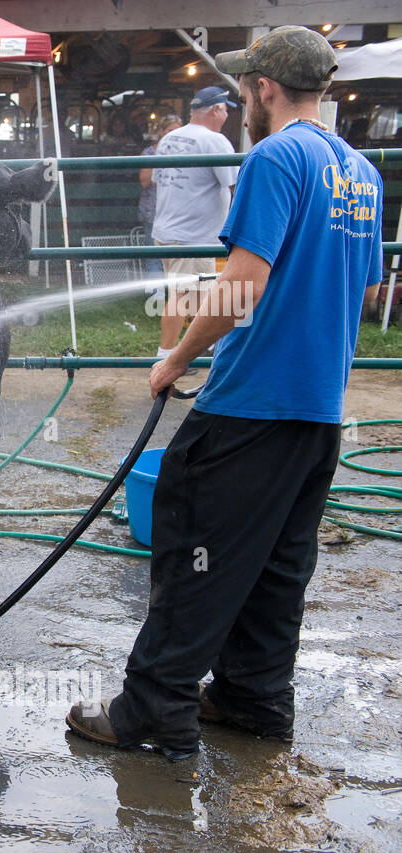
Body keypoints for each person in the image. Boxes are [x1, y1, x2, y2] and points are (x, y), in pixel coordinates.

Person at [66, 25, 384, 759]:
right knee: (277, 562)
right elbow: (365, 287)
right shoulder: (360, 172)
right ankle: (253, 699)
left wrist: (175, 356)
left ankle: (152, 710)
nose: (245, 97)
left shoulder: (276, 156)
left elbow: (243, 285)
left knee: (191, 532)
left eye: (248, 86)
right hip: (317, 412)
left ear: (263, 89)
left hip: (252, 402)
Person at [150, 87, 238, 360]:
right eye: (224, 110)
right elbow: (233, 184)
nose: (225, 116)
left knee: (200, 297)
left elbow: (158, 181)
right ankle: (165, 356)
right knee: (183, 296)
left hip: (168, 231)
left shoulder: (168, 139)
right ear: (215, 110)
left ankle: (203, 350)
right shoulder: (216, 141)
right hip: (194, 237)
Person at [137, 114, 182, 279]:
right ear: (161, 132)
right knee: (154, 254)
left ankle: (175, 292)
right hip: (153, 210)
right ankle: (156, 295)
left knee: (178, 255)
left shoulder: (185, 153)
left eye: (178, 131)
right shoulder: (150, 152)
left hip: (177, 211)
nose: (174, 135)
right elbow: (144, 181)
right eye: (170, 130)